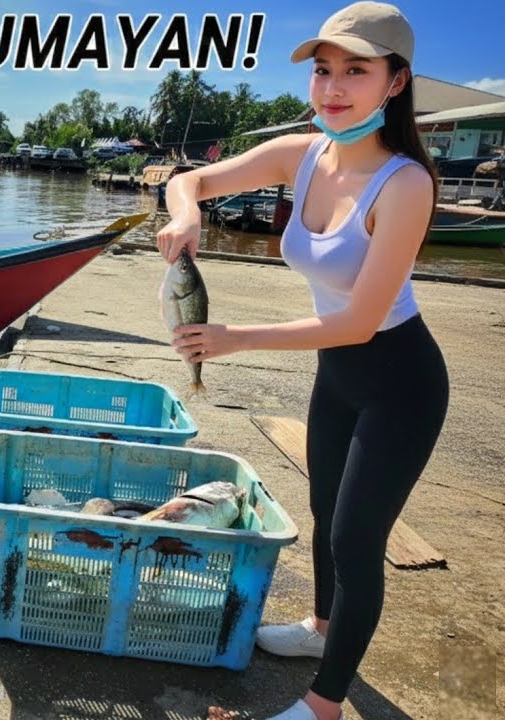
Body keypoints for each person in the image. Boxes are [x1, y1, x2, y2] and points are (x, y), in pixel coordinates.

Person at [155, 4, 448, 719]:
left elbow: (359, 321)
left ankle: (323, 706)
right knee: (322, 509)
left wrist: (234, 337)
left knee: (355, 539)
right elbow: (188, 180)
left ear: (396, 82)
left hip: (400, 381)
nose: (332, 88)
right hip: (338, 374)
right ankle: (321, 628)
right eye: (323, 70)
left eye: (356, 70)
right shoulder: (303, 153)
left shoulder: (405, 183)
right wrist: (186, 212)